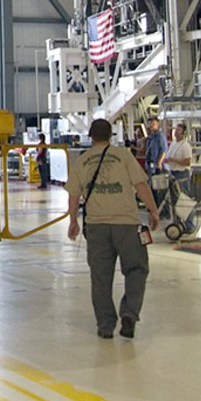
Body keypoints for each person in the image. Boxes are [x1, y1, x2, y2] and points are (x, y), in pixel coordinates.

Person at [66, 118, 159, 339]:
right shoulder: (125, 155)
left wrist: (73, 221)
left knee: (100, 278)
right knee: (137, 269)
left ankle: (105, 325)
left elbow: (73, 194)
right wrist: (153, 211)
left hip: (97, 227)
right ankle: (129, 313)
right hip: (126, 224)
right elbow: (140, 185)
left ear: (91, 136)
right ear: (111, 136)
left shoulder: (84, 159)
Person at [160, 123, 194, 203]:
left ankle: (187, 215)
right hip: (172, 172)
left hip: (181, 174)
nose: (176, 132)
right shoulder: (173, 143)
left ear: (183, 133)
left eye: (179, 130)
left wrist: (174, 160)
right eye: (176, 130)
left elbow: (187, 162)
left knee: (183, 198)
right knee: (174, 197)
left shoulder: (186, 146)